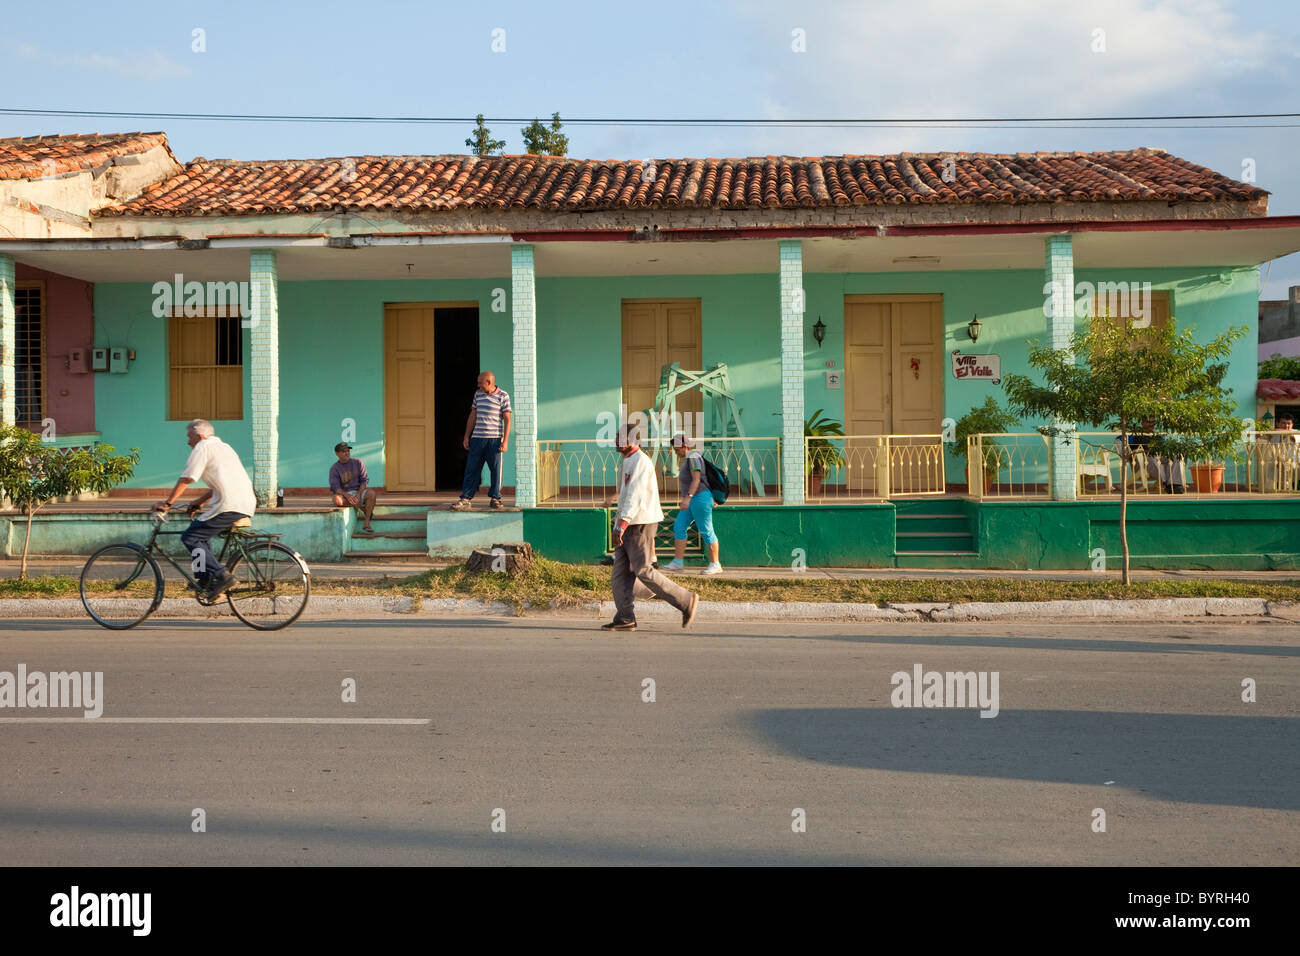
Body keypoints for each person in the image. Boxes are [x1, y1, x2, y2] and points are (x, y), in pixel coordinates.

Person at [603, 424, 699, 632]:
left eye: (620, 438)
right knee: (620, 574)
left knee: (644, 570)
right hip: (627, 523)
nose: (615, 441)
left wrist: (622, 524)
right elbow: (625, 495)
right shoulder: (627, 461)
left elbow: (635, 495)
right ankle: (625, 617)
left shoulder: (640, 461)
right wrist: (618, 523)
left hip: (639, 524)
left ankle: (685, 600)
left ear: (632, 441)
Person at [151, 419, 256, 598]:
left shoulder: (203, 447)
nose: (188, 442)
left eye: (189, 437)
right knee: (200, 535)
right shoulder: (225, 447)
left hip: (229, 504)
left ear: (199, 436)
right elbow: (220, 483)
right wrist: (199, 502)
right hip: (244, 502)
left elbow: (187, 478)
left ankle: (223, 576)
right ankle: (204, 579)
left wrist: (167, 504)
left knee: (191, 537)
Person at [662, 433, 723, 574]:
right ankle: (678, 562)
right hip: (692, 500)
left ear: (684, 446)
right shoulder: (689, 458)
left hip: (699, 498)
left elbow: (696, 479)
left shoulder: (693, 457)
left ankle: (715, 563)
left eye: (677, 449)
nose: (676, 452)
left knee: (706, 530)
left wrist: (687, 498)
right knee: (679, 526)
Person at [450, 371, 510, 511]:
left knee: (495, 470)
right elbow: (473, 415)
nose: (478, 385)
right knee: (471, 468)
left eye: (480, 383)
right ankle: (466, 498)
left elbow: (507, 419)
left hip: (494, 440)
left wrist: (505, 441)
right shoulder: (478, 395)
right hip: (477, 439)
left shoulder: (503, 396)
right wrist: (467, 436)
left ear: (489, 382)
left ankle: (495, 498)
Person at [1115, 418, 1184, 493]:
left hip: (1158, 459)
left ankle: (1174, 485)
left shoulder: (1158, 436)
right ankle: (1165, 484)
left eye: (1153, 422)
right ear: (1142, 423)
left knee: (1174, 456)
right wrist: (1124, 453)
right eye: (1148, 422)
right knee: (1150, 456)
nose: (1151, 424)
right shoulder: (1135, 435)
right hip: (1142, 463)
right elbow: (1119, 440)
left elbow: (1165, 448)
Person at [330, 442, 377, 534]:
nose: (347, 453)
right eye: (343, 451)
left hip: (359, 491)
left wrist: (359, 495)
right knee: (336, 499)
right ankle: (363, 509)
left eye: (348, 451)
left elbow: (364, 480)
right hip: (345, 493)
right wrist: (346, 495)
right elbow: (335, 487)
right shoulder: (334, 468)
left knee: (372, 493)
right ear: (337, 454)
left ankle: (366, 522)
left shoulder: (358, 462)